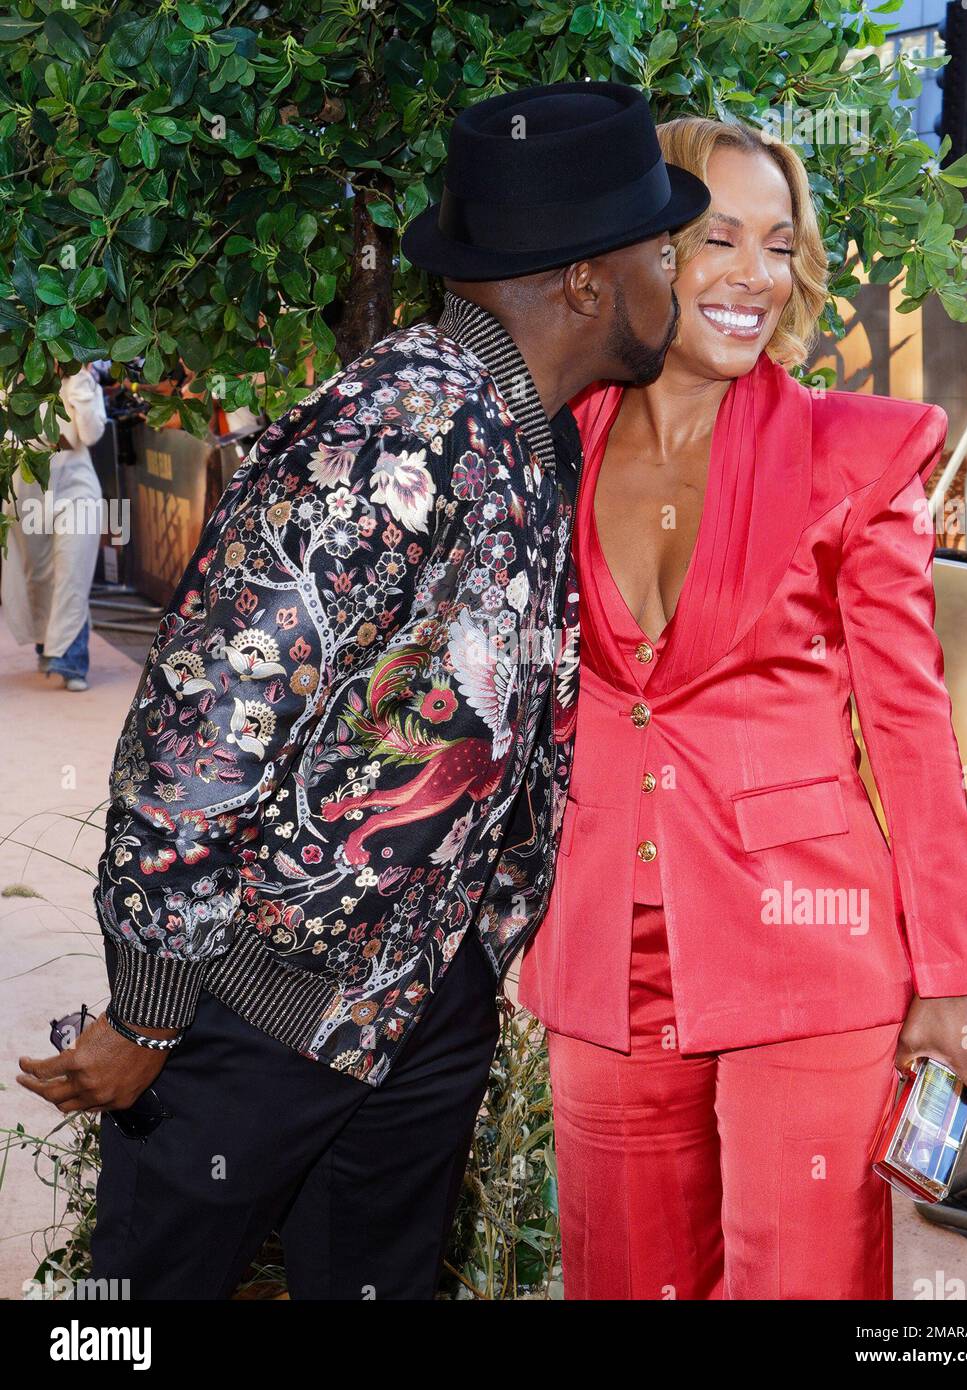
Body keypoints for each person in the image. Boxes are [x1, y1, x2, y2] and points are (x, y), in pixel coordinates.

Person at [17, 81, 708, 1300]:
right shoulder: (395, 429)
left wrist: (478, 955)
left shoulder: (529, 434)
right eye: (665, 247)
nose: (681, 273)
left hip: (421, 999)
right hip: (253, 1015)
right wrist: (154, 1008)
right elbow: (200, 728)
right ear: (590, 283)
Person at [517, 115, 967, 1301]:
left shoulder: (856, 451)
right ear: (640, 255)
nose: (753, 275)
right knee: (625, 1276)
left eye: (777, 245)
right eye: (718, 237)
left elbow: (908, 726)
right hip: (601, 939)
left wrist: (947, 972)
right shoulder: (551, 441)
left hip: (805, 937)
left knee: (802, 1279)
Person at [2, 364, 107, 690]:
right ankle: (47, 645)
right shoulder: (10, 379)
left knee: (73, 571)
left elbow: (91, 434)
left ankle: (72, 661)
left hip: (76, 481)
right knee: (40, 573)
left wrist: (78, 381)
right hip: (25, 484)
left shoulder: (82, 379)